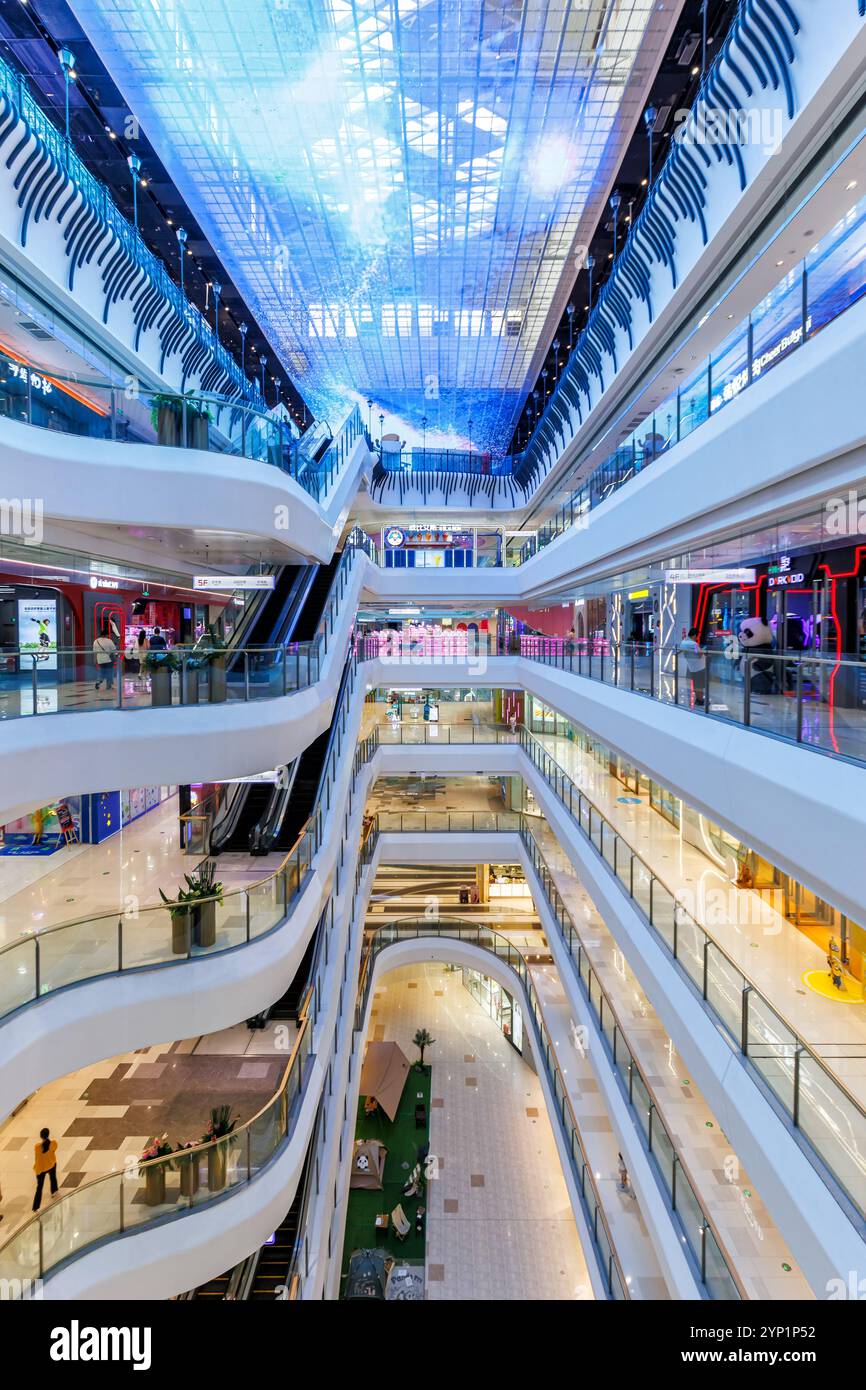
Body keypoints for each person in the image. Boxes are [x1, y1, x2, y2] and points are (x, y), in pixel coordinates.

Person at [678, 626, 706, 707]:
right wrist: (703, 650)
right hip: (700, 667)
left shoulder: (683, 643)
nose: (697, 637)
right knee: (700, 684)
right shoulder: (694, 644)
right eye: (697, 636)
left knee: (696, 684)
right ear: (694, 635)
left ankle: (698, 699)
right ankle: (700, 700)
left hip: (692, 667)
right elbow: (699, 654)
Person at [32, 1127, 59, 1210]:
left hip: (40, 1169)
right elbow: (54, 1150)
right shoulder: (53, 1143)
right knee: (53, 1177)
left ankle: (35, 1207)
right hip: (51, 1164)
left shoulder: (37, 1147)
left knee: (39, 1187)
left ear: (41, 1136)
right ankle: (54, 1191)